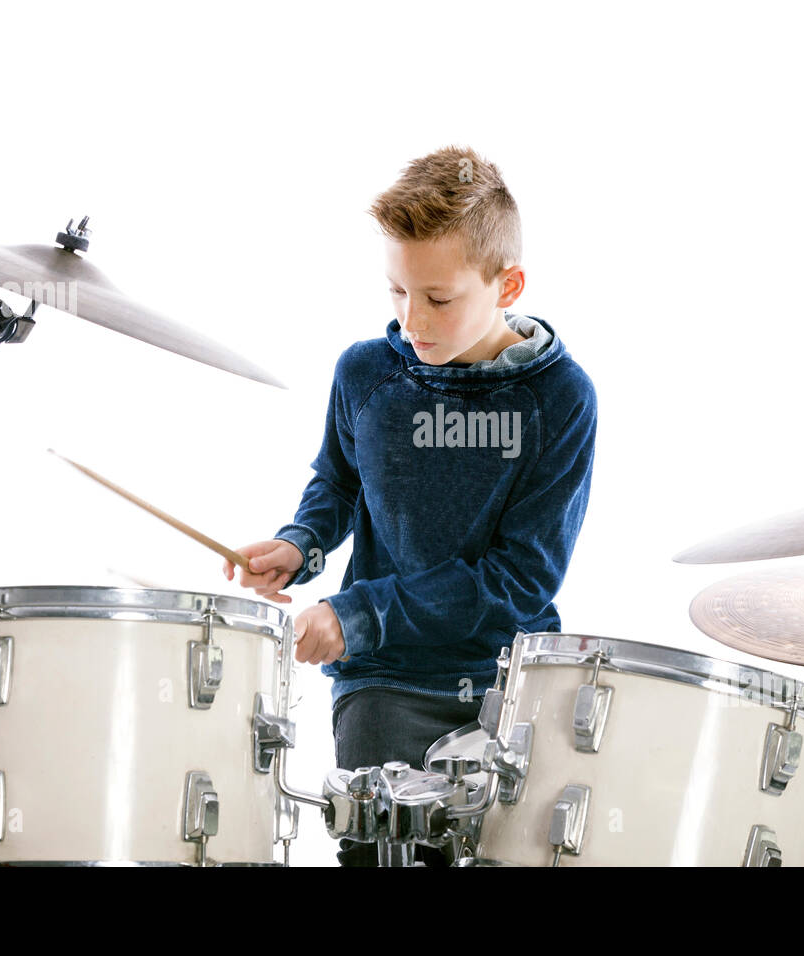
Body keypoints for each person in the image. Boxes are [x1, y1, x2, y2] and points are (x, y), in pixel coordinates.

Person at [222, 145, 597, 866]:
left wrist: (359, 613)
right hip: (385, 679)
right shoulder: (365, 373)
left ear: (507, 283)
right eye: (397, 292)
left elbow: (519, 581)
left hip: (507, 684)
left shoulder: (560, 399)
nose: (412, 319)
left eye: (438, 298)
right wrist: (302, 543)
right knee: (381, 853)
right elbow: (338, 483)